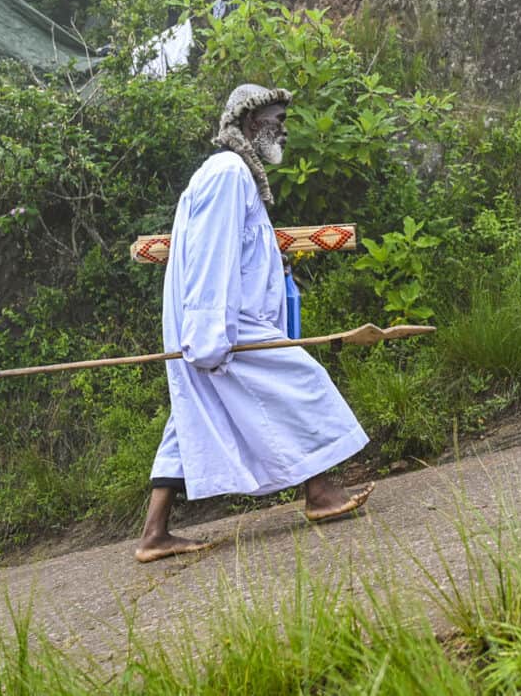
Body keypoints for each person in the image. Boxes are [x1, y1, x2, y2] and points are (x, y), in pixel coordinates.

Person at [135, 84, 375, 563]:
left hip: (225, 323)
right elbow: (212, 255)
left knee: (192, 416)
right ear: (250, 122)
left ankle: (153, 534)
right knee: (302, 382)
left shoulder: (234, 175)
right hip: (224, 326)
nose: (284, 130)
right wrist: (210, 336)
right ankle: (320, 493)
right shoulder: (226, 173)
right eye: (277, 119)